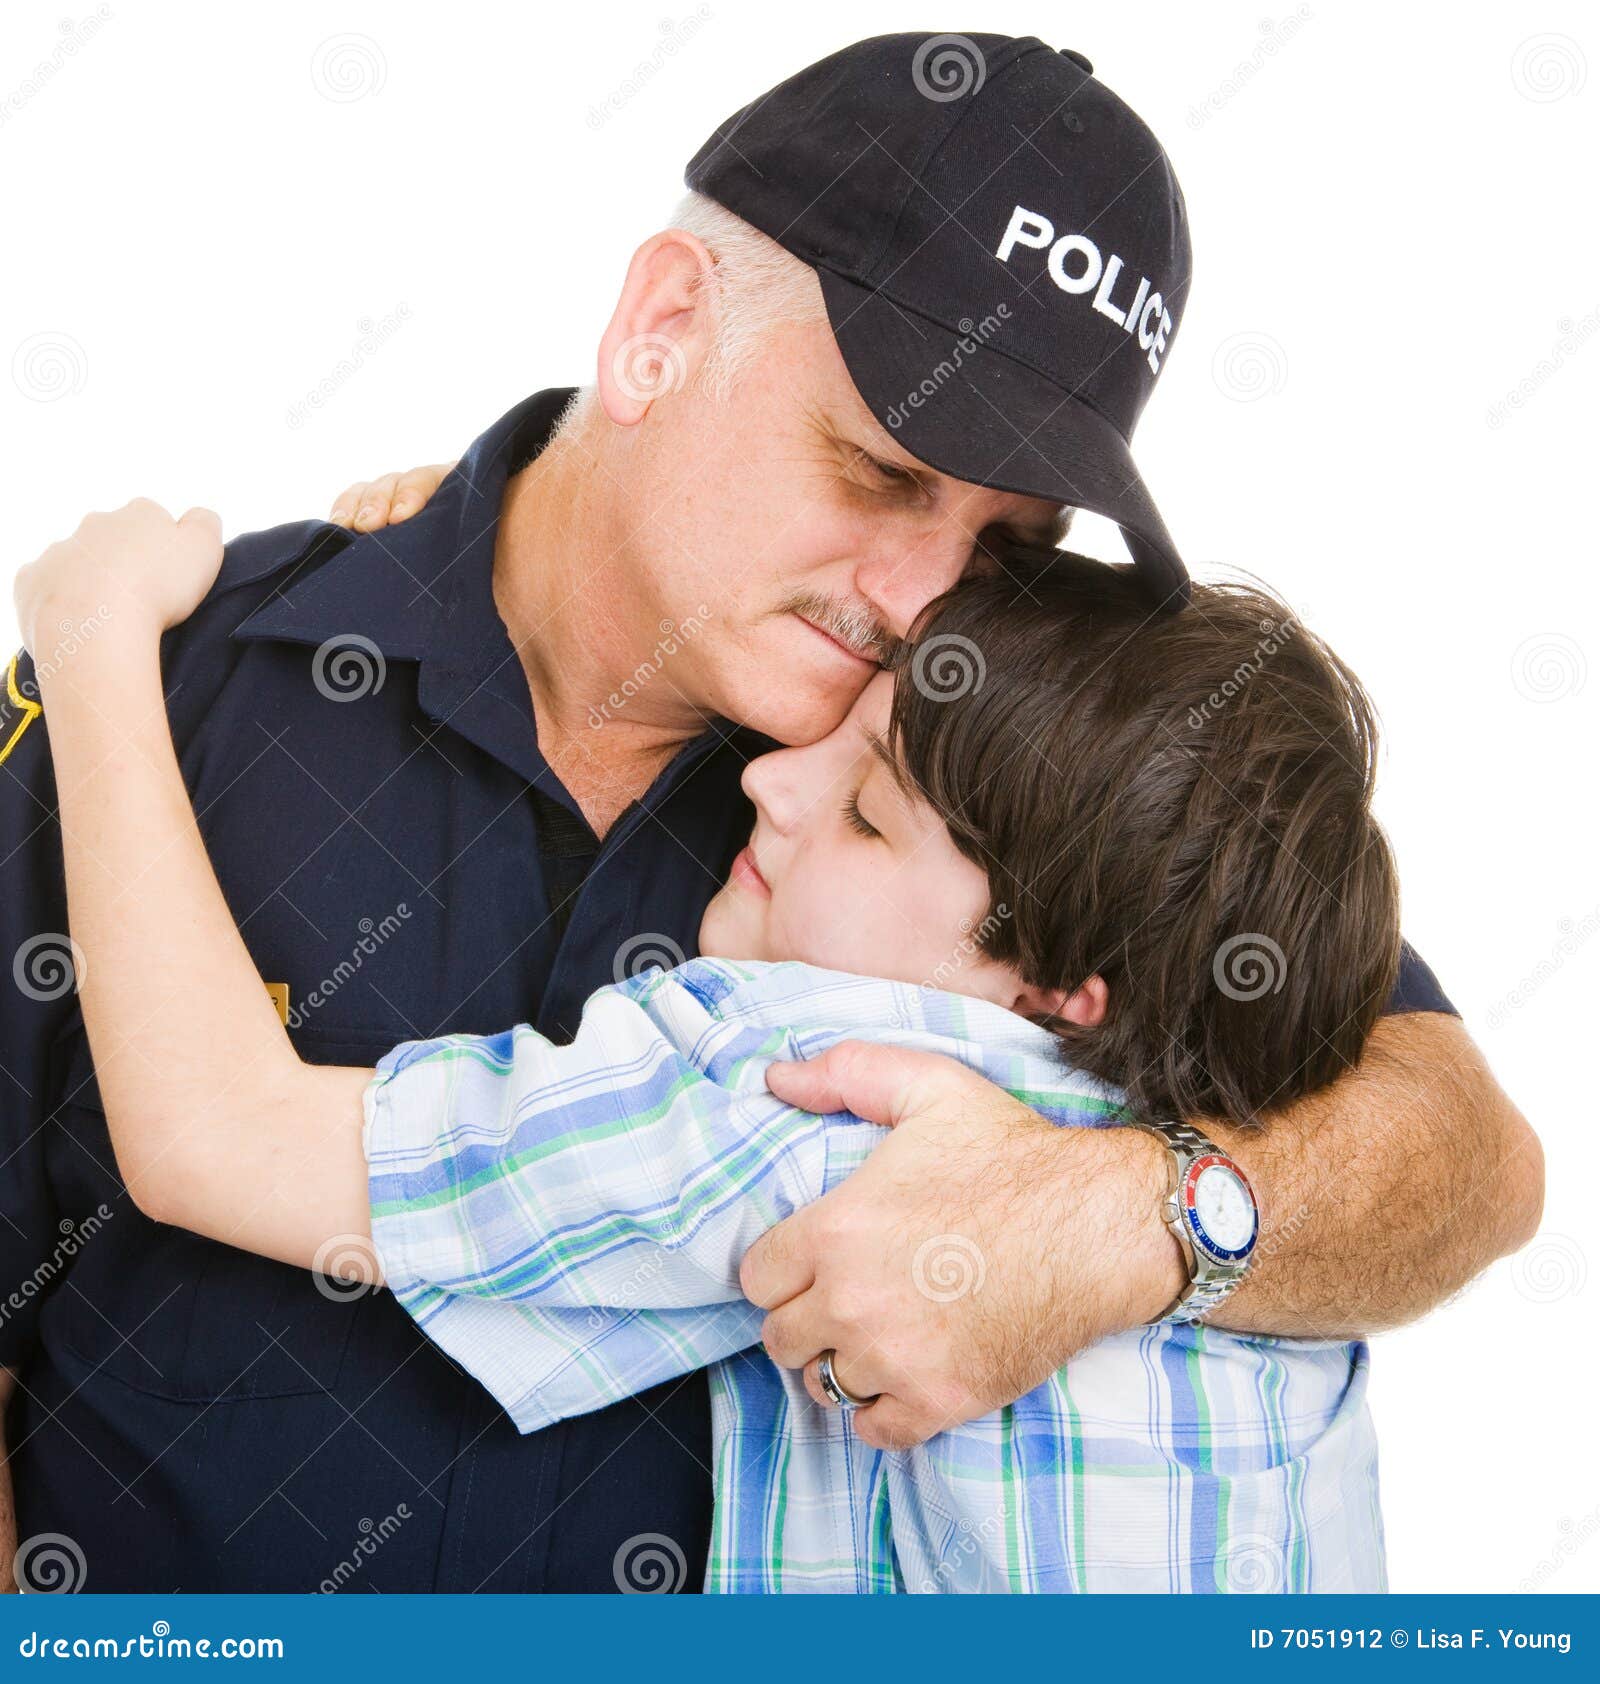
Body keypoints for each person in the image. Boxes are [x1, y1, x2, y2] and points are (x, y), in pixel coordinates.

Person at [0, 33, 1538, 1593]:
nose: (925, 600)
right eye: (880, 471)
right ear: (663, 329)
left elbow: (1469, 1151)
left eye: (1008, 536)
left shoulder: (1019, 758)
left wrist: (1113, 1223)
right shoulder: (187, 691)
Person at [20, 498, 1402, 1592]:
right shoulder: (1236, 1087)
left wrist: (90, 641)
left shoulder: (813, 1091)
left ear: (1059, 988)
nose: (772, 777)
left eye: (867, 812)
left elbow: (212, 1135)